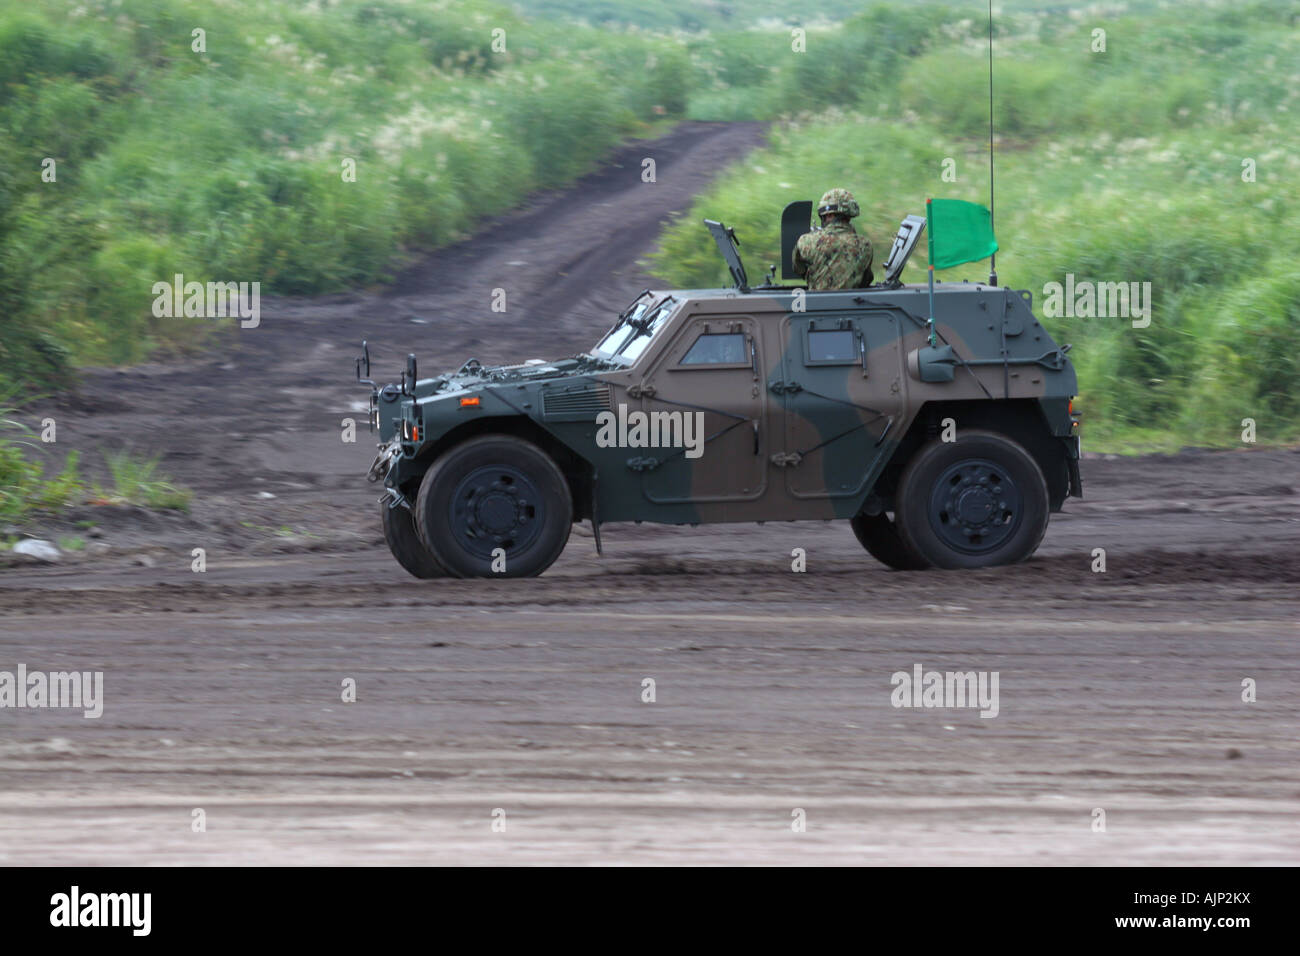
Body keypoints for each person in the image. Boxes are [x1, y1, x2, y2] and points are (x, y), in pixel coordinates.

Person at [793, 188, 874, 290]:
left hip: (816, 304)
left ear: (829, 214)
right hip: (853, 304)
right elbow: (866, 280)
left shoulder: (807, 241)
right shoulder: (865, 245)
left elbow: (798, 269)